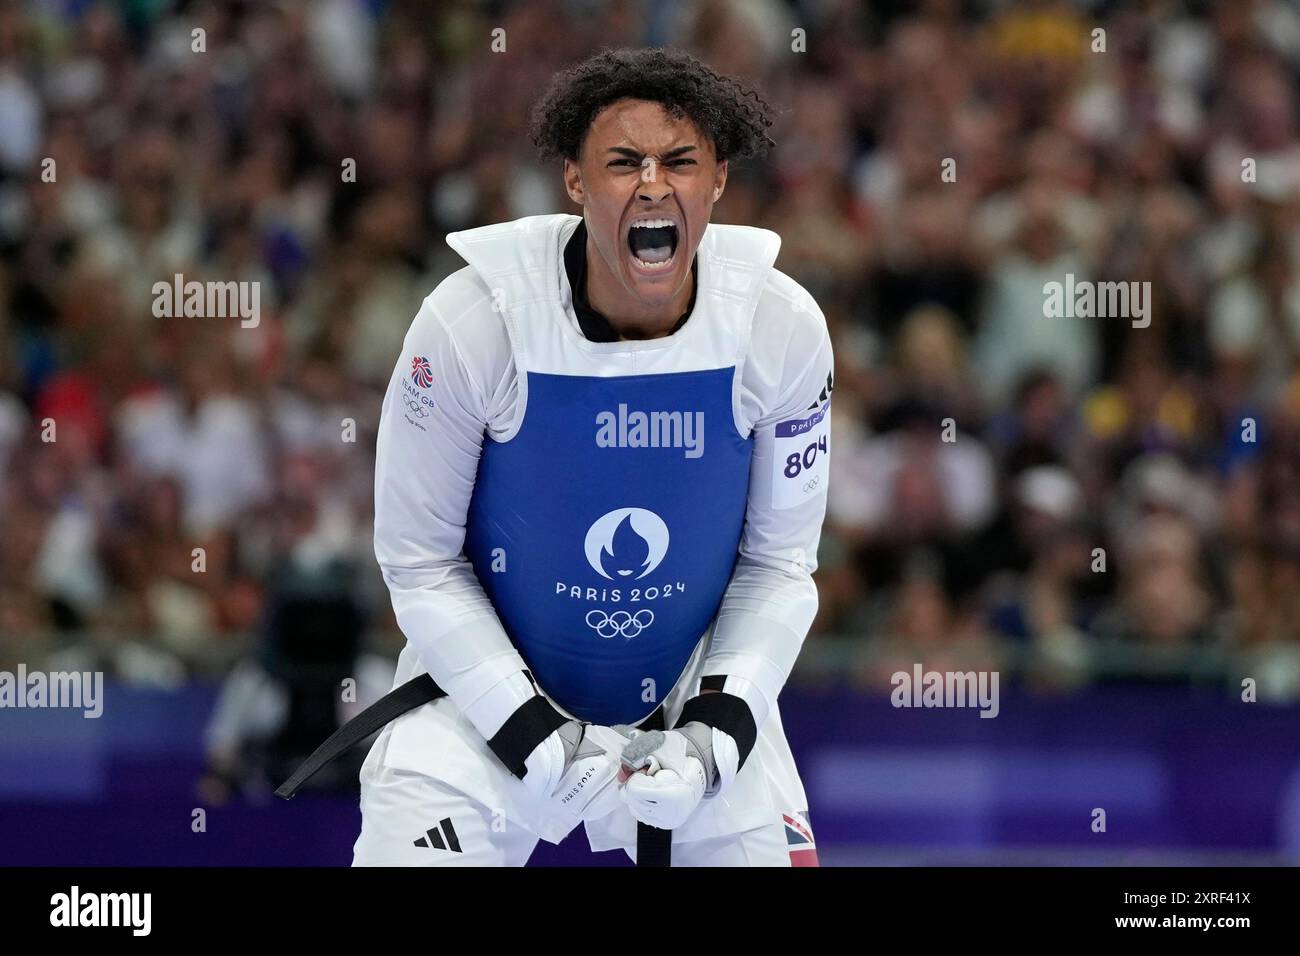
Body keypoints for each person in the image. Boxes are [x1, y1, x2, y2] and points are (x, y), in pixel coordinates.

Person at [353, 47, 833, 867]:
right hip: (477, 703)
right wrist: (525, 726)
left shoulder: (779, 326)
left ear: (717, 179)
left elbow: (780, 566)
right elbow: (418, 561)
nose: (654, 184)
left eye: (681, 161)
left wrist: (716, 737)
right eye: (623, 163)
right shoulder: (475, 320)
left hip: (688, 702)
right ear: (575, 181)